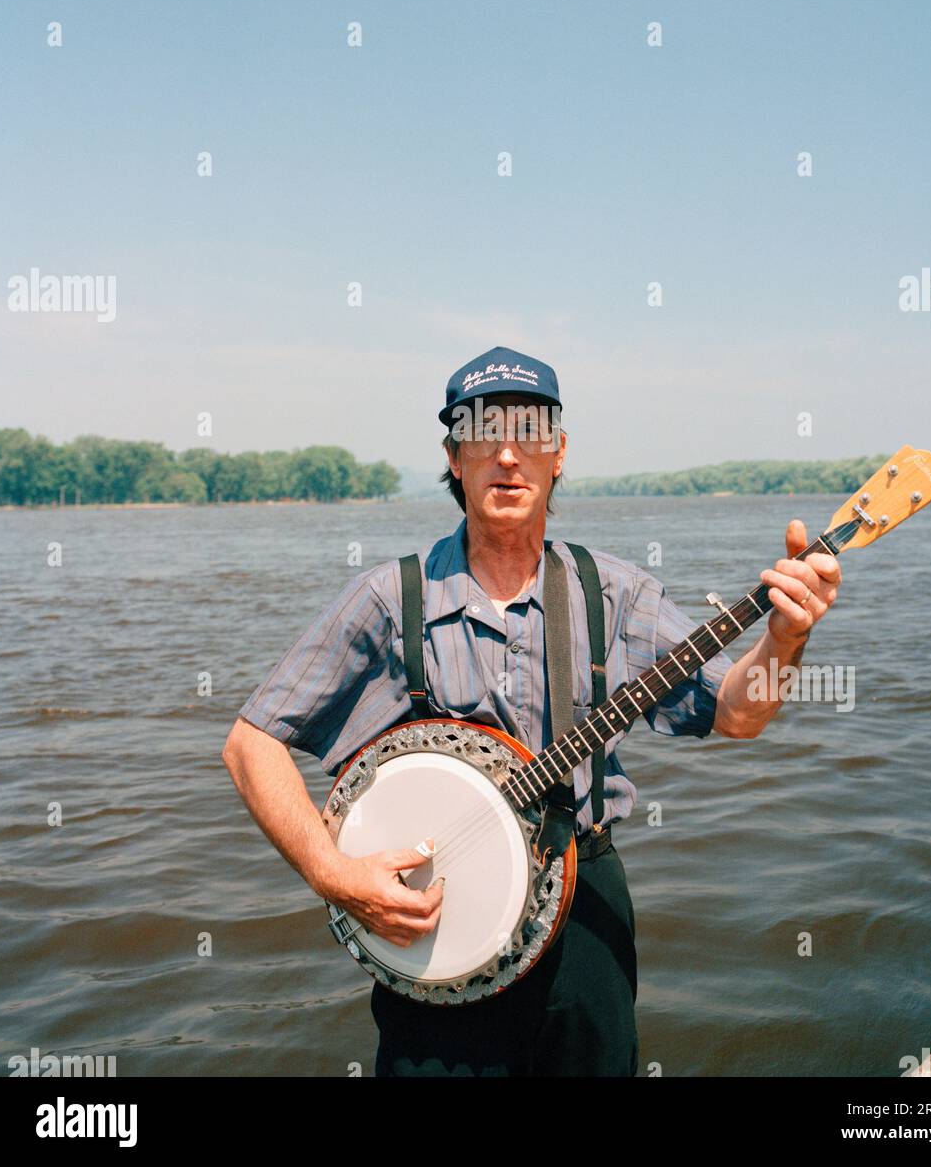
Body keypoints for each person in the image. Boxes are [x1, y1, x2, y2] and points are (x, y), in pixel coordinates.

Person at [221, 345, 841, 1076]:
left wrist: (786, 636)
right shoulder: (389, 600)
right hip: (436, 920)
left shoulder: (613, 593)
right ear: (455, 458)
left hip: (585, 907)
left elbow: (739, 714)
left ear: (560, 454)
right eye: (484, 434)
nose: (508, 455)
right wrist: (333, 875)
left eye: (531, 432)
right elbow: (250, 744)